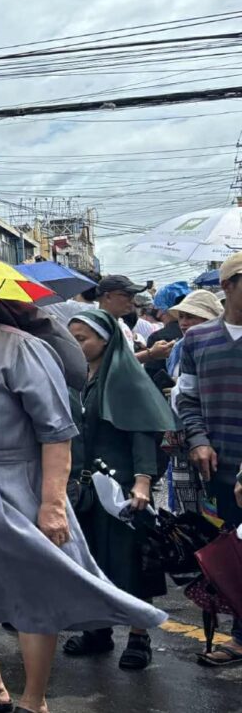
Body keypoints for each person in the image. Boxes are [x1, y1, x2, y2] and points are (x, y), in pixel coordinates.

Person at [0, 276, 166, 713]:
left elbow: (57, 432)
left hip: (11, 488)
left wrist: (52, 503)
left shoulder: (21, 348)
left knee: (33, 589)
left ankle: (34, 700)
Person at [65, 309, 175, 669]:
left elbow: (142, 431)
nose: (76, 345)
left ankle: (139, 636)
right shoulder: (77, 378)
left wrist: (143, 481)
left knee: (131, 563)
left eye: (82, 339)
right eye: (73, 338)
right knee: (90, 560)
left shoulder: (126, 377)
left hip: (120, 488)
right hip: (82, 488)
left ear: (106, 339)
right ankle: (98, 630)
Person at [177, 252, 242, 667]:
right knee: (231, 550)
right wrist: (198, 440)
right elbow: (187, 397)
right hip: (218, 465)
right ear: (228, 286)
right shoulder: (197, 340)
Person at [97, 275, 173, 365]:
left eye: (132, 296)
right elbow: (104, 365)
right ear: (108, 297)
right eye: (126, 295)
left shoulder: (122, 325)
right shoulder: (97, 326)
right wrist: (150, 354)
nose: (132, 301)